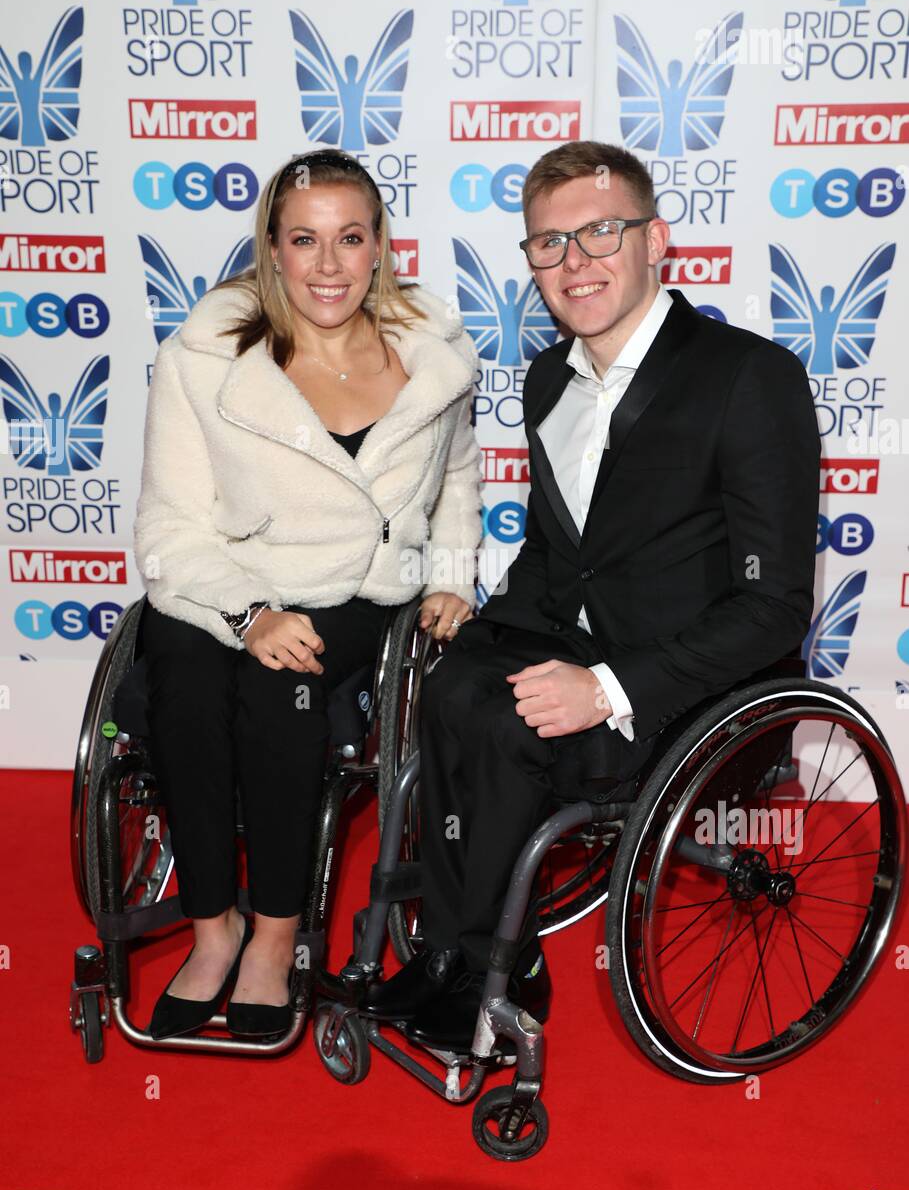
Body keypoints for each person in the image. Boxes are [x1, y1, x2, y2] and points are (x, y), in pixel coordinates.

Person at [364, 139, 821, 1049]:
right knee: (448, 690)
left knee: (499, 722)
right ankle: (458, 952)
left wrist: (608, 688)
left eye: (600, 233)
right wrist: (483, 629)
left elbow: (771, 608)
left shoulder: (748, 378)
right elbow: (558, 555)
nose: (574, 263)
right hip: (568, 645)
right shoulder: (545, 381)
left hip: (688, 697)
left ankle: (504, 978)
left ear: (658, 242)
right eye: (548, 244)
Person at [134, 148, 483, 1041]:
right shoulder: (208, 358)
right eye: (303, 240)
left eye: (348, 239)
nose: (327, 265)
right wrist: (247, 613)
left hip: (353, 590)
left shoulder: (431, 356)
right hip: (227, 586)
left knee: (280, 685)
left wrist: (450, 577)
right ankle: (214, 925)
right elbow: (173, 528)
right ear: (273, 251)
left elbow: (458, 482)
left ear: (377, 248)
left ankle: (277, 934)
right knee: (180, 666)